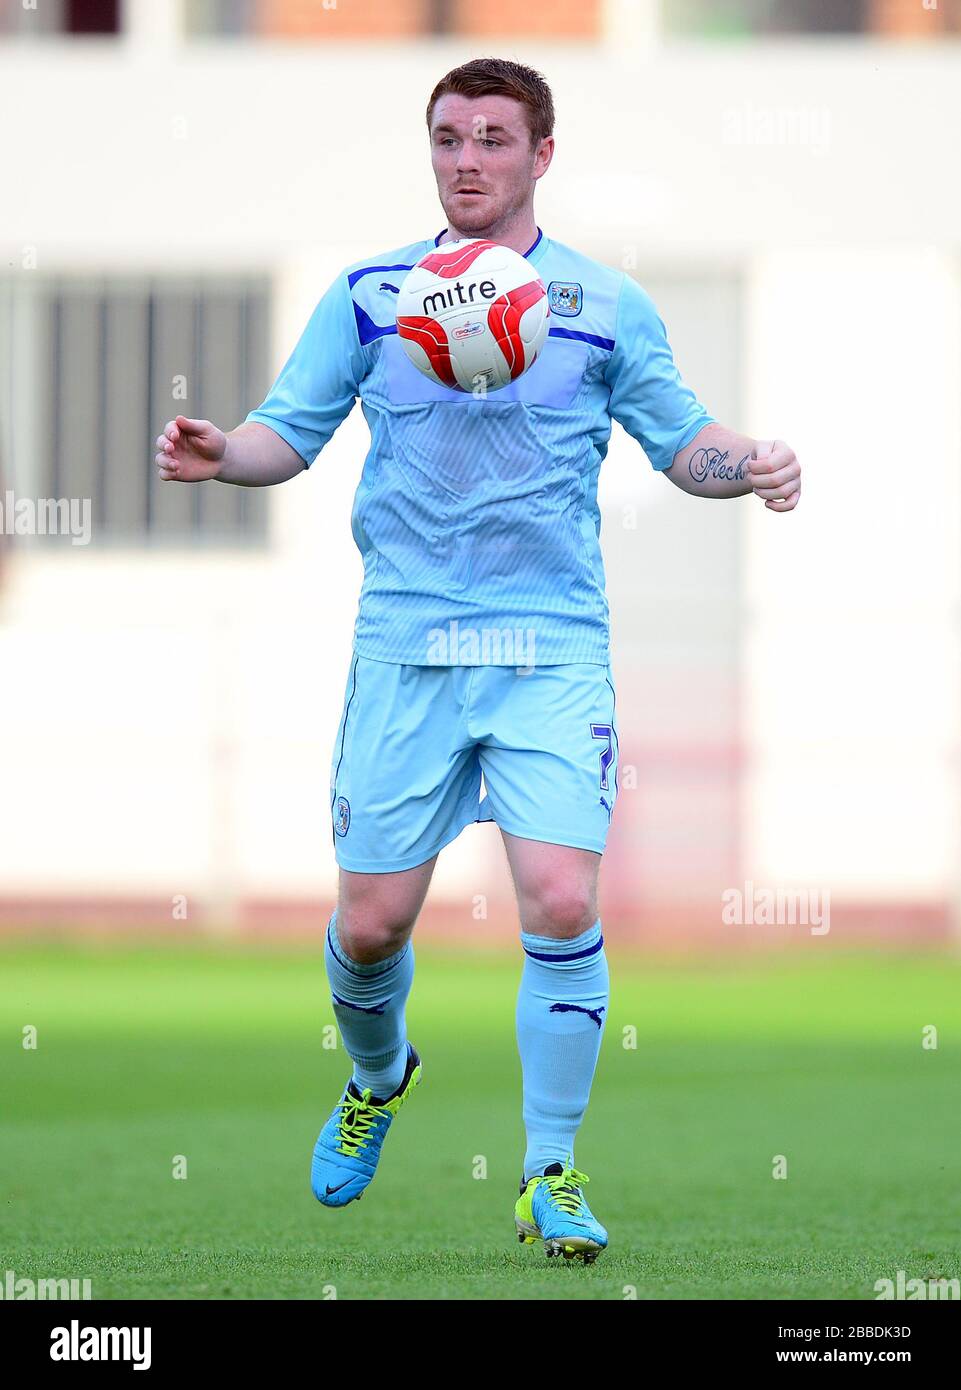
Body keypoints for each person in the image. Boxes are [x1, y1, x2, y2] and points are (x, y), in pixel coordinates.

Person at [154, 56, 801, 1264]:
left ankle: (549, 1171)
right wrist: (215, 452)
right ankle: (377, 1073)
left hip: (549, 648)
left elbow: (680, 442)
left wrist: (748, 463)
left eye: (494, 139)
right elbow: (282, 435)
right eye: (448, 137)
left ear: (540, 155)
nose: (467, 159)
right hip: (408, 649)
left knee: (559, 899)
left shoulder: (602, 305)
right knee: (369, 929)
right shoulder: (371, 295)